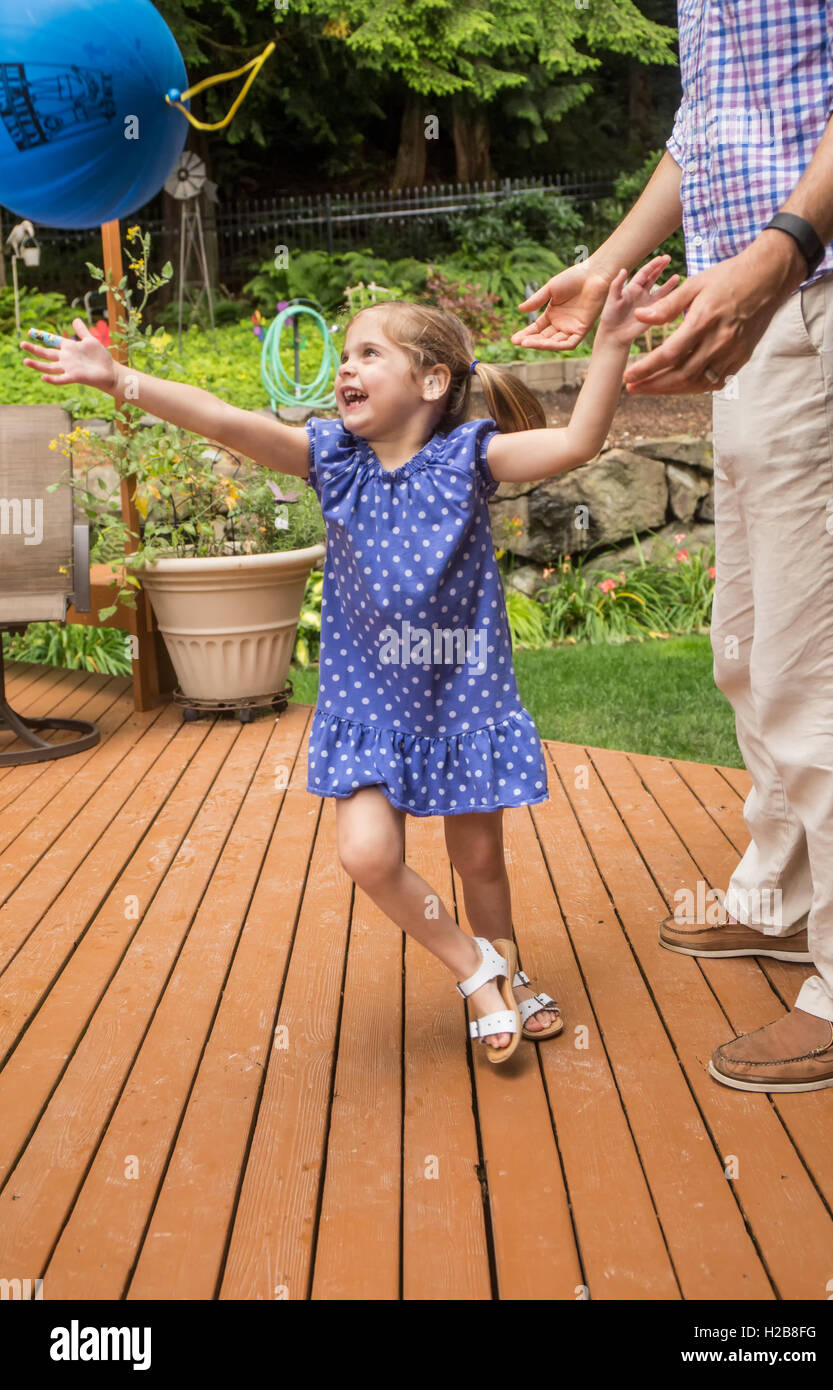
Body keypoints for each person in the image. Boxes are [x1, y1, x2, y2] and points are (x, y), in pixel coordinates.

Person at [21, 254, 677, 1063]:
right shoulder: (332, 462)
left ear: (433, 383)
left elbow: (580, 440)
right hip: (369, 709)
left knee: (479, 861)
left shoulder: (471, 460)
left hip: (461, 702)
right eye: (345, 355)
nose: (347, 368)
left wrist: (611, 339)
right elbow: (223, 419)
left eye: (370, 353)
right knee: (367, 855)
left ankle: (507, 966)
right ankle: (476, 970)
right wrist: (119, 378)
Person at [513, 1, 833, 1092]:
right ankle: (785, 896)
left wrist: (780, 252)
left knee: (822, 662)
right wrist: (608, 264)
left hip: (817, 282)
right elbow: (707, 120)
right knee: (745, 642)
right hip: (749, 303)